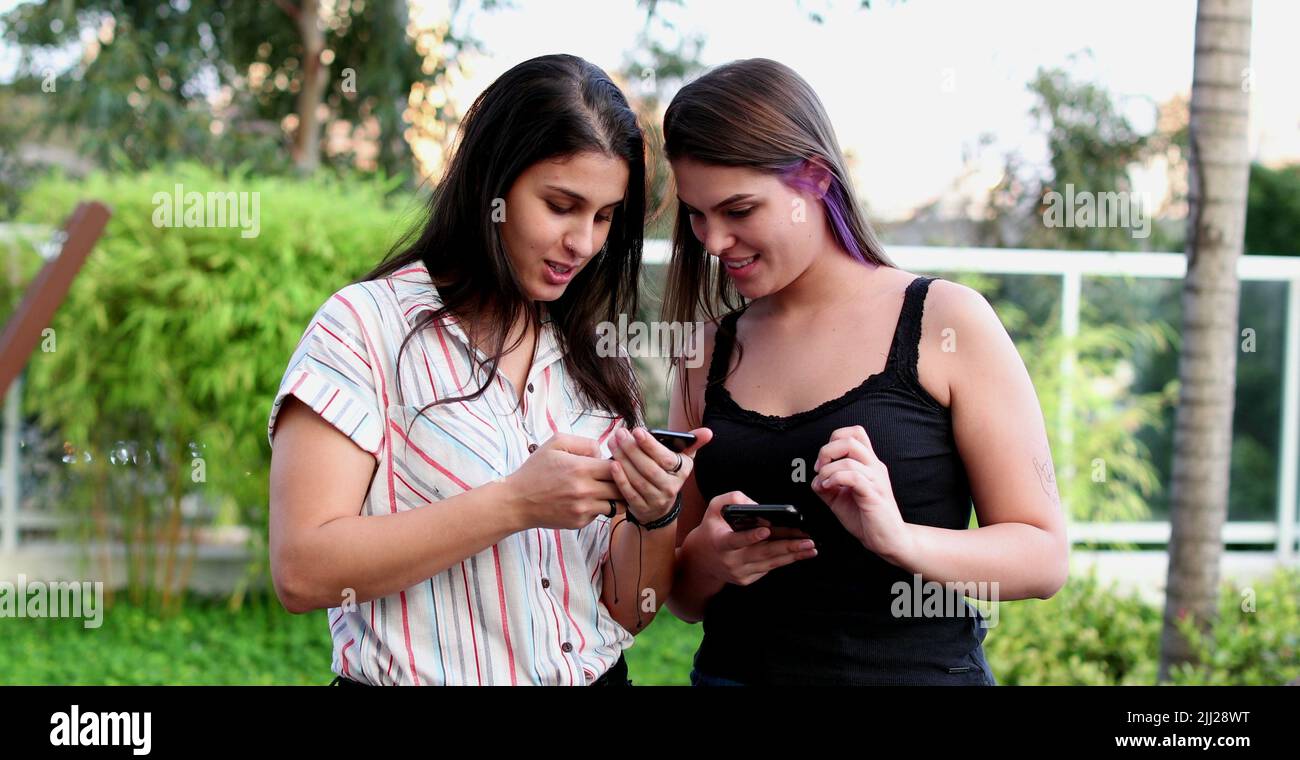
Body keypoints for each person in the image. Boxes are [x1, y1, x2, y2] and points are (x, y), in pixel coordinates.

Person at [267, 54, 709, 686]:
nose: (583, 242)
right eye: (561, 205)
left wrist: (655, 512)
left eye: (605, 216)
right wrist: (513, 505)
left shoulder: (595, 355)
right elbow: (302, 571)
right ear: (490, 186)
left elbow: (625, 611)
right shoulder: (364, 328)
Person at [661, 58, 1068, 686]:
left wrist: (900, 538)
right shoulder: (704, 352)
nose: (712, 241)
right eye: (696, 214)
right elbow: (685, 598)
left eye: (739, 209)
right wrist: (711, 560)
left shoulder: (945, 320)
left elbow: (1042, 558)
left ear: (816, 180)